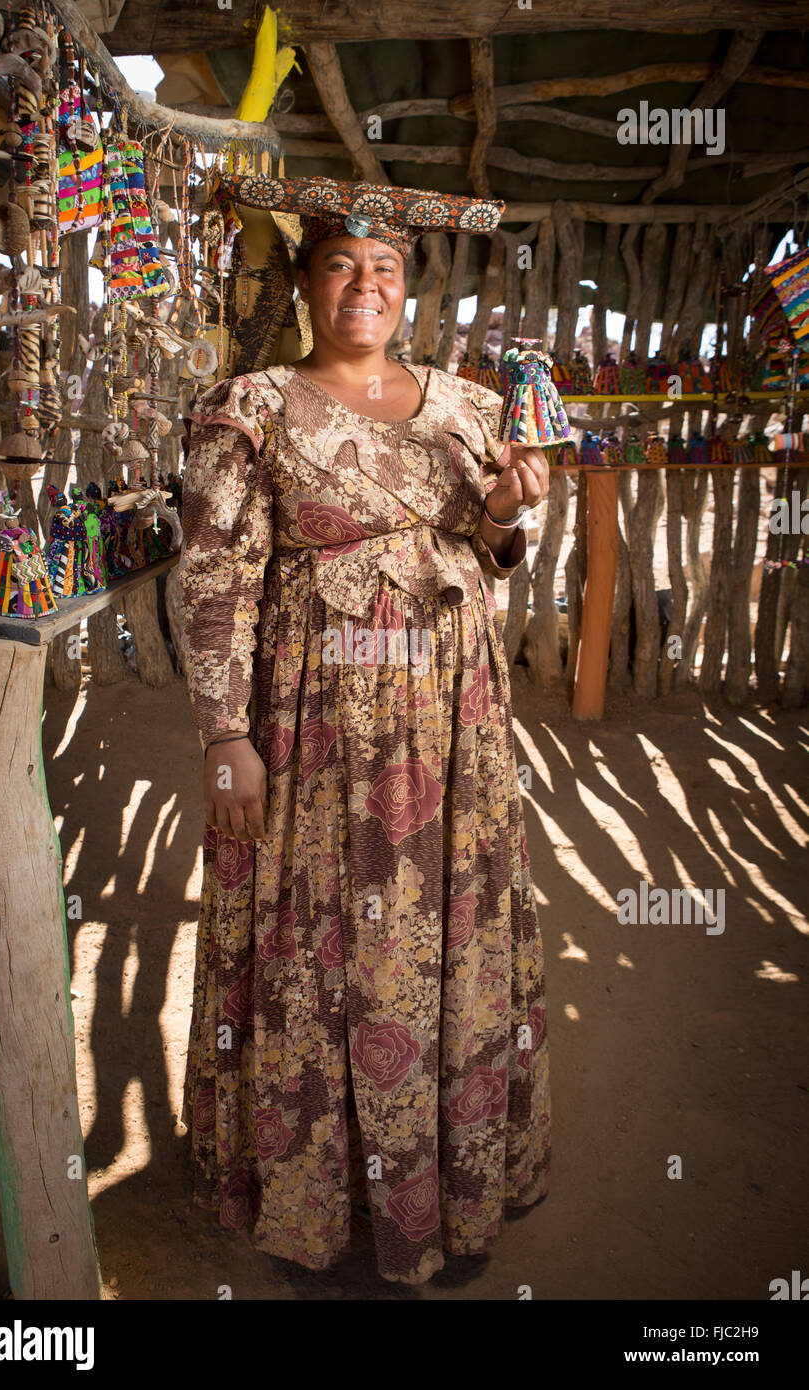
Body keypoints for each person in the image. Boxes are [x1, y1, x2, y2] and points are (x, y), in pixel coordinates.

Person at [177, 175, 551, 1286]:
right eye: (340, 264)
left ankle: (449, 1180)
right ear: (305, 280)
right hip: (313, 728)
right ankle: (312, 1196)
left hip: (454, 722)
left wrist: (501, 515)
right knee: (321, 943)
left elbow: (488, 552)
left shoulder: (468, 407)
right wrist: (223, 733)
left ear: (408, 291)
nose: (364, 286)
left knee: (447, 930)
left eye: (384, 270)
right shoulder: (250, 408)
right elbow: (212, 577)